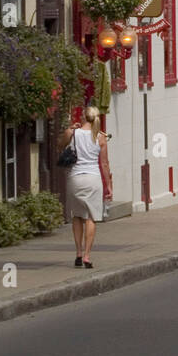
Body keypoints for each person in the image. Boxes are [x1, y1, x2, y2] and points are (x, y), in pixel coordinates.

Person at [62, 106, 111, 269]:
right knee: (91, 217)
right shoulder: (101, 137)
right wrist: (108, 185)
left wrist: (68, 130)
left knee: (77, 216)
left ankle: (77, 253)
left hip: (75, 178)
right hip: (93, 179)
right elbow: (104, 163)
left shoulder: (73, 133)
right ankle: (87, 256)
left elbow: (59, 146)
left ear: (83, 116)